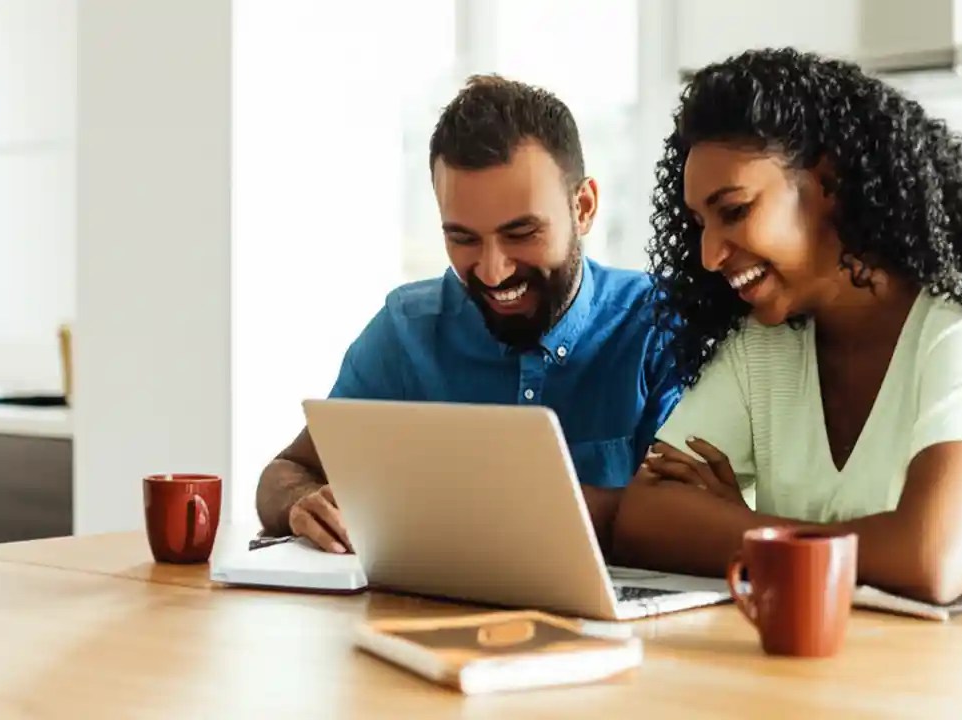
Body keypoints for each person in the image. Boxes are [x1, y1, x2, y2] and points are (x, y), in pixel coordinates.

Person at [611, 48, 962, 609]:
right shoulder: (764, 344)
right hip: (877, 672)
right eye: (699, 223)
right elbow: (645, 518)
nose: (708, 254)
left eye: (735, 210)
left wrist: (736, 527)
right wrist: (859, 550)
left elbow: (930, 559)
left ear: (829, 182)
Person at [257, 75, 681, 554]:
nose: (493, 270)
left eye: (521, 233)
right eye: (463, 238)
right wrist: (303, 503)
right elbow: (286, 471)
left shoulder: (656, 326)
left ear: (582, 208)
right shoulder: (406, 331)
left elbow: (686, 513)